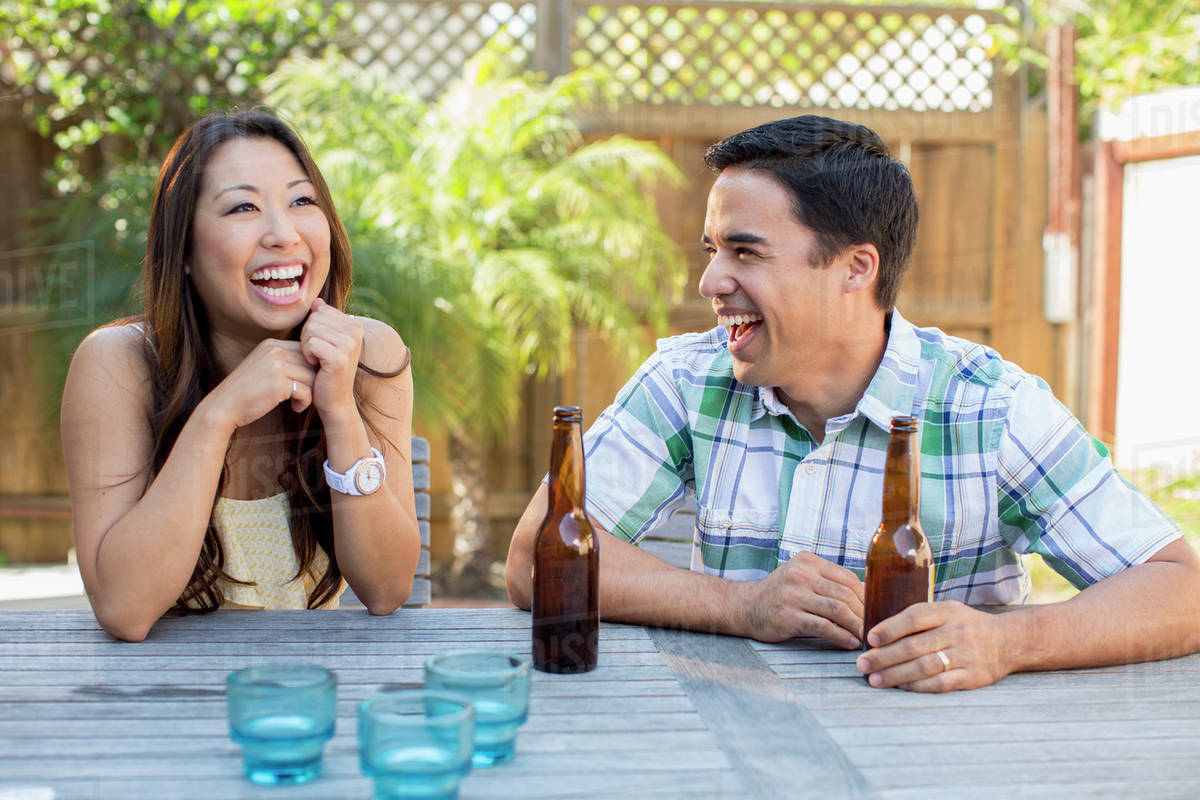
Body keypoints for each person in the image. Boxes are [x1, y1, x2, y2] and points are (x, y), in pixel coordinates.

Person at [505, 114, 1200, 692]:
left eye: (745, 252)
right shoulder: (687, 381)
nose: (709, 280)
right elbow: (534, 561)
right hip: (733, 741)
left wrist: (1007, 643)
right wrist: (742, 606)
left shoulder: (989, 408)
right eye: (712, 250)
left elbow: (1179, 589)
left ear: (855, 268)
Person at [61, 110, 420, 642]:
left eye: (302, 201)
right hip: (162, 686)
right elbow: (124, 609)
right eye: (243, 207)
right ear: (183, 250)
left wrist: (341, 412)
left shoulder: (369, 355)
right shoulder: (118, 365)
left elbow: (387, 589)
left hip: (316, 682)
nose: (283, 234)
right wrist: (219, 415)